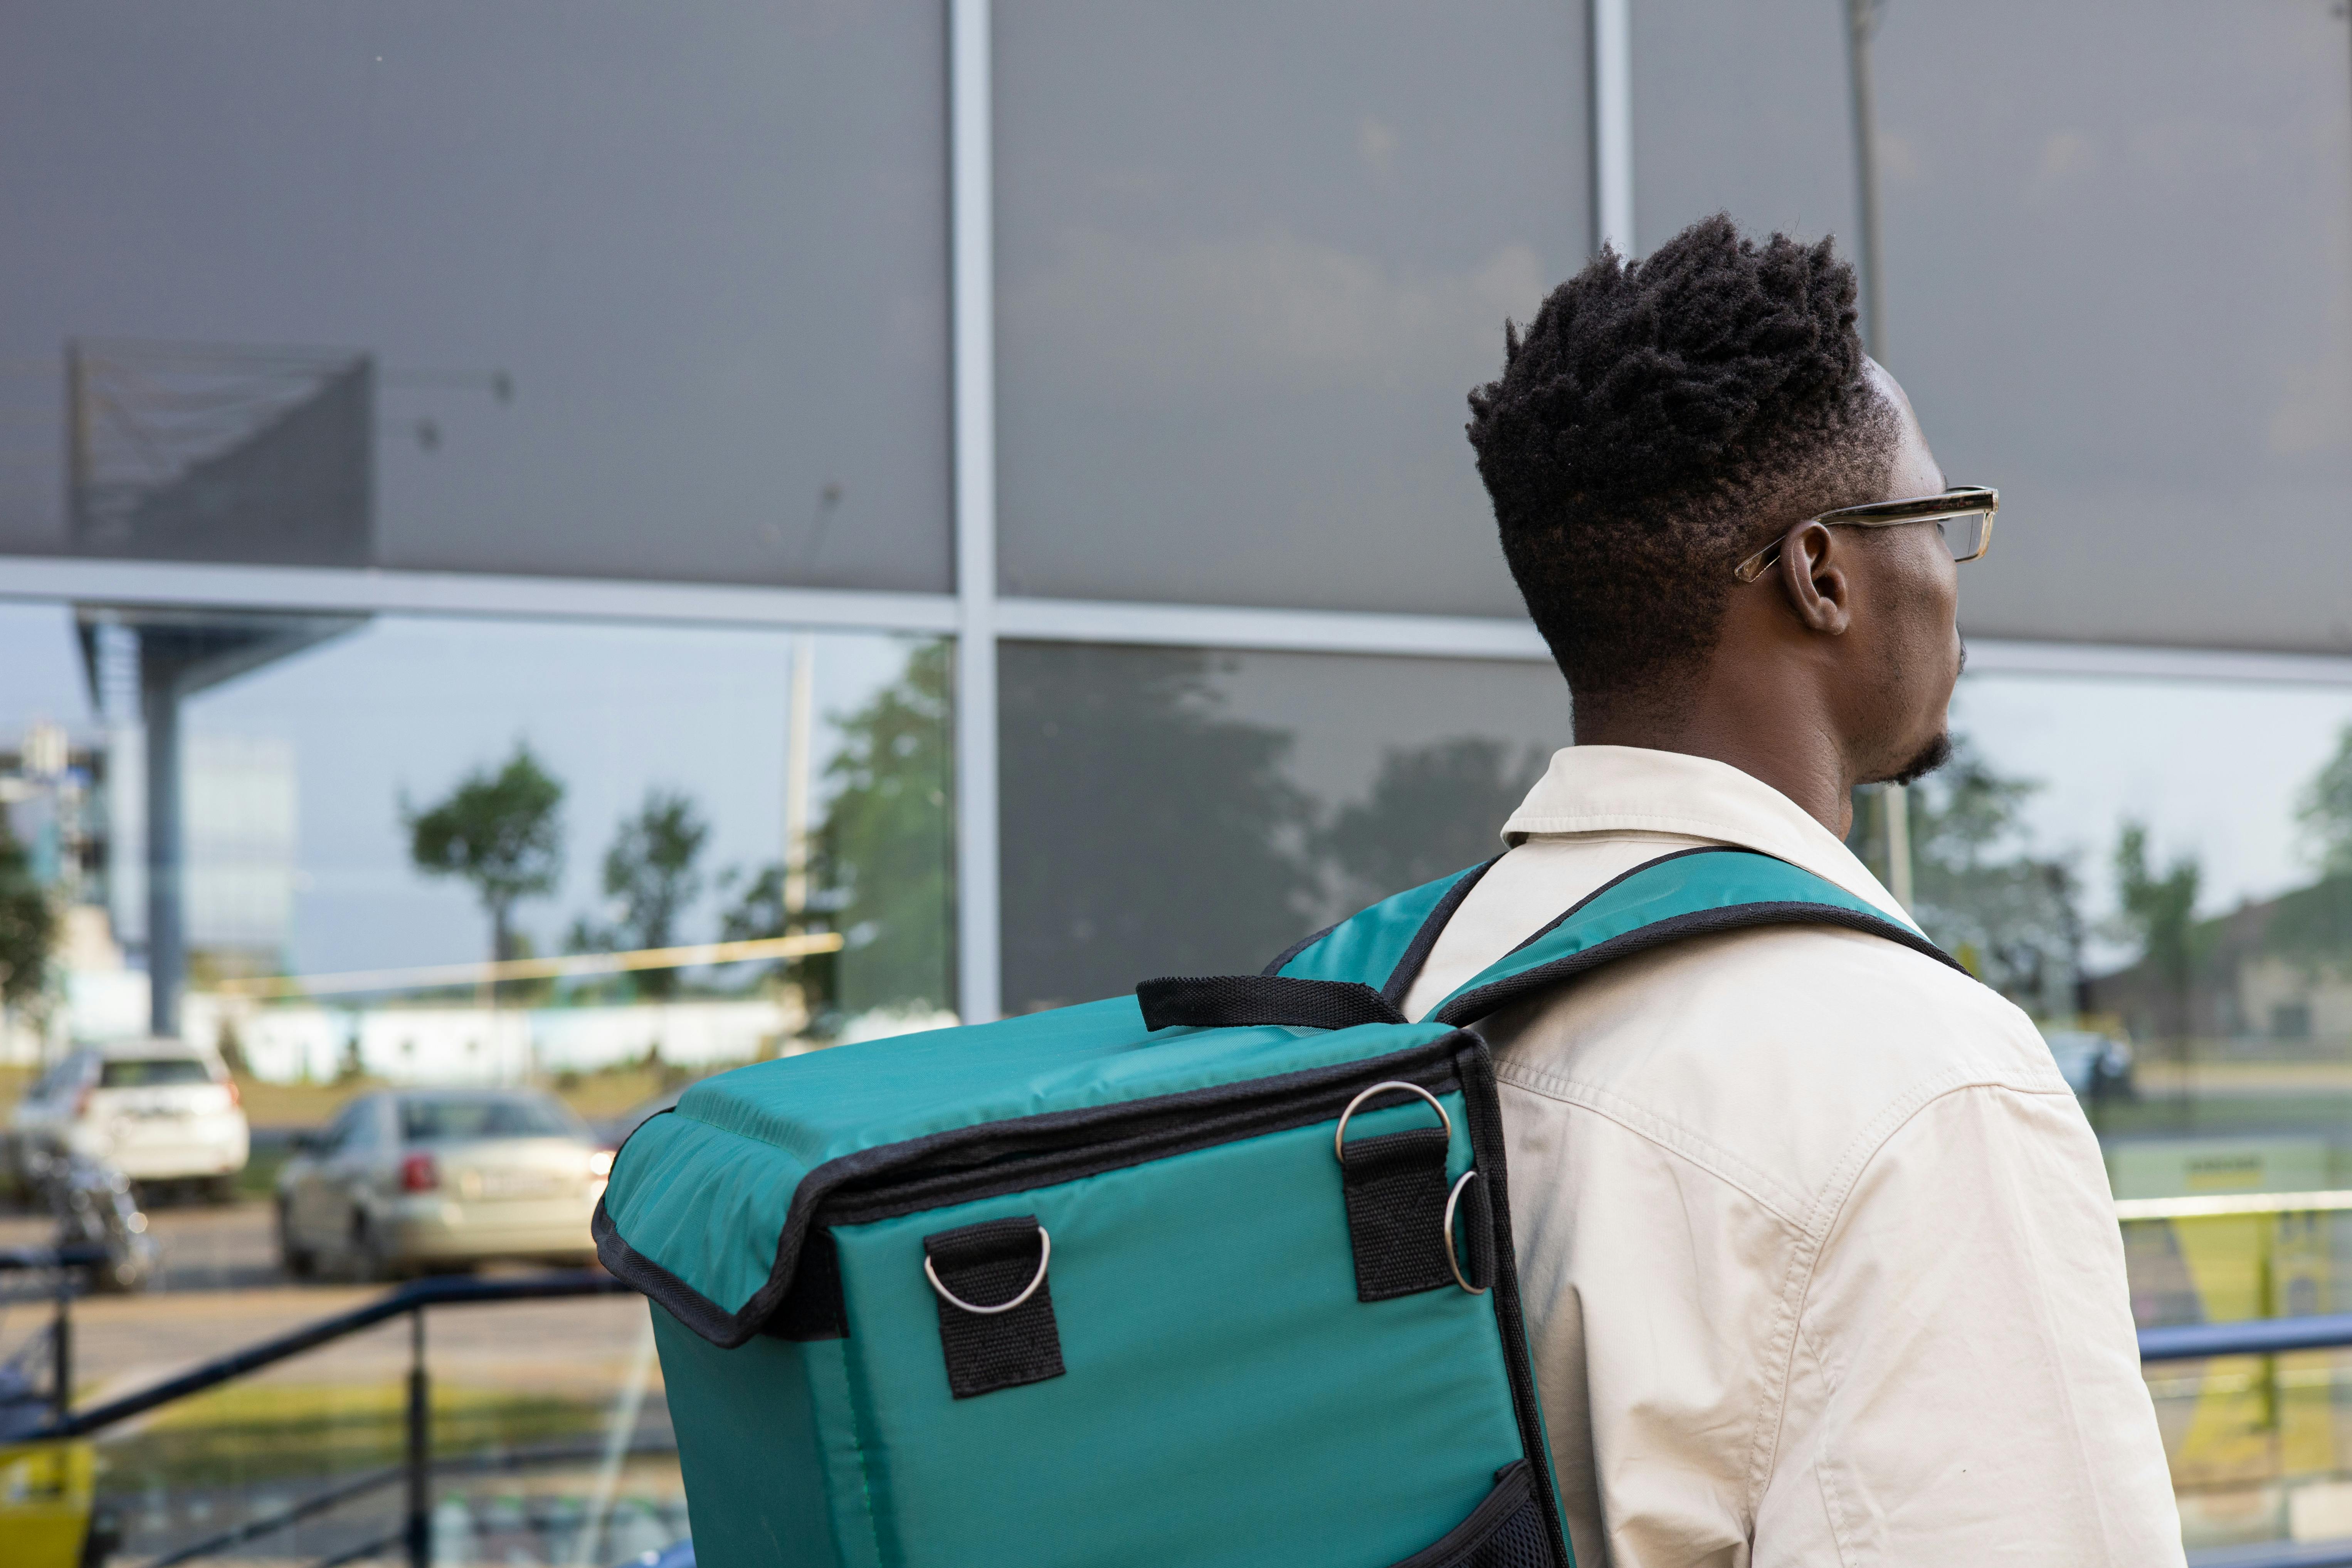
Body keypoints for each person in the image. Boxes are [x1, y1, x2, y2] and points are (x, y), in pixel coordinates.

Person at [1438, 215, 2181, 1565]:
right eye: (1939, 523)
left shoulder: (1390, 998)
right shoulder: (1921, 1086)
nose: (1951, 587)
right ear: (1825, 574)